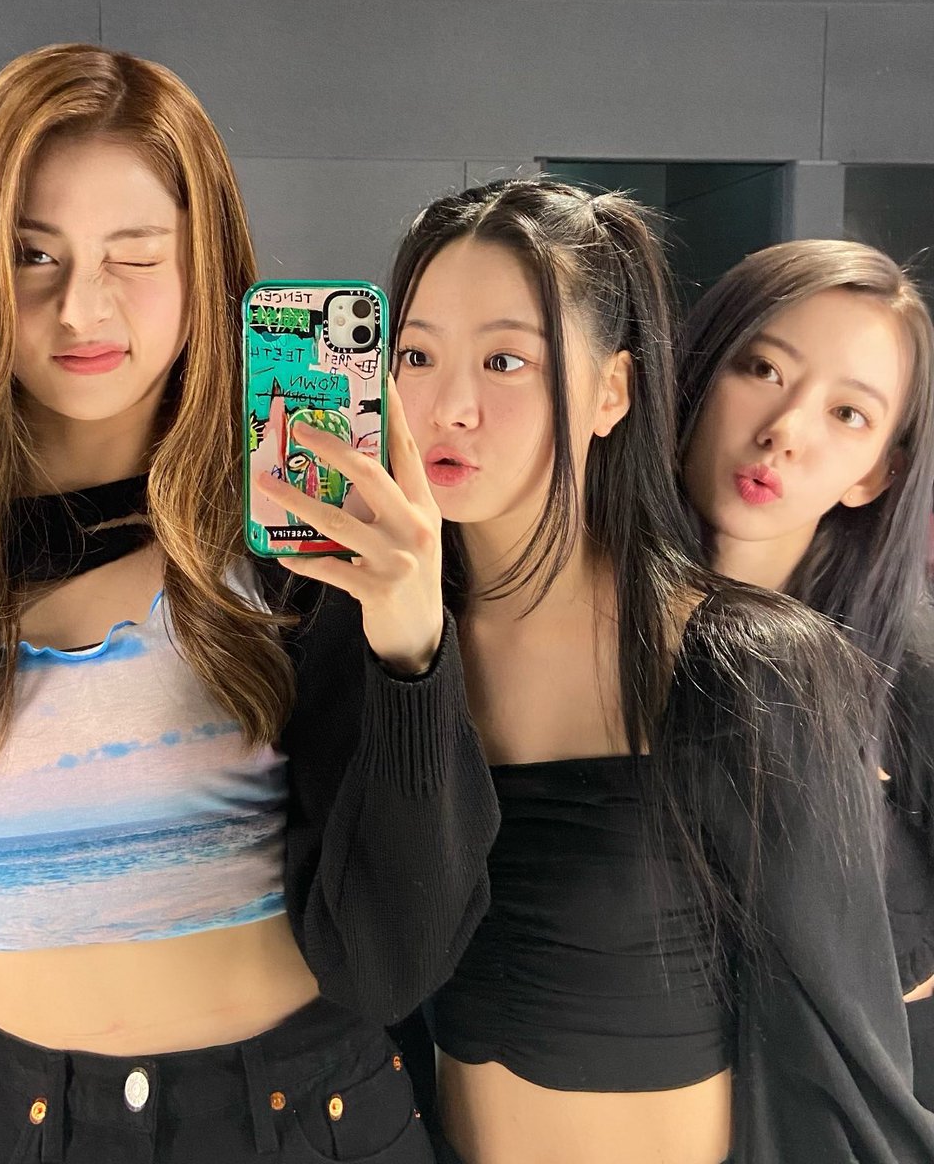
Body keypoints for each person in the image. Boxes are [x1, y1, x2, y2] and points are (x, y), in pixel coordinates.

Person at [0, 44, 497, 1164]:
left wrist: (410, 644)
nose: (83, 307)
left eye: (137, 256)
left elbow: (397, 962)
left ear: (205, 264)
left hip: (319, 1121)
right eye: (32, 254)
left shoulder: (298, 538)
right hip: (31, 1129)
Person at [388, 178, 934, 1162]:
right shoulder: (382, 650)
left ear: (615, 389)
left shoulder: (761, 667)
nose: (449, 406)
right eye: (415, 355)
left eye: (505, 359)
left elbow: (846, 1068)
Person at [676, 239, 934, 1107]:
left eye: (848, 414)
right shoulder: (577, 607)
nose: (784, 430)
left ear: (878, 475)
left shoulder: (905, 658)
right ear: (697, 370)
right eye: (762, 369)